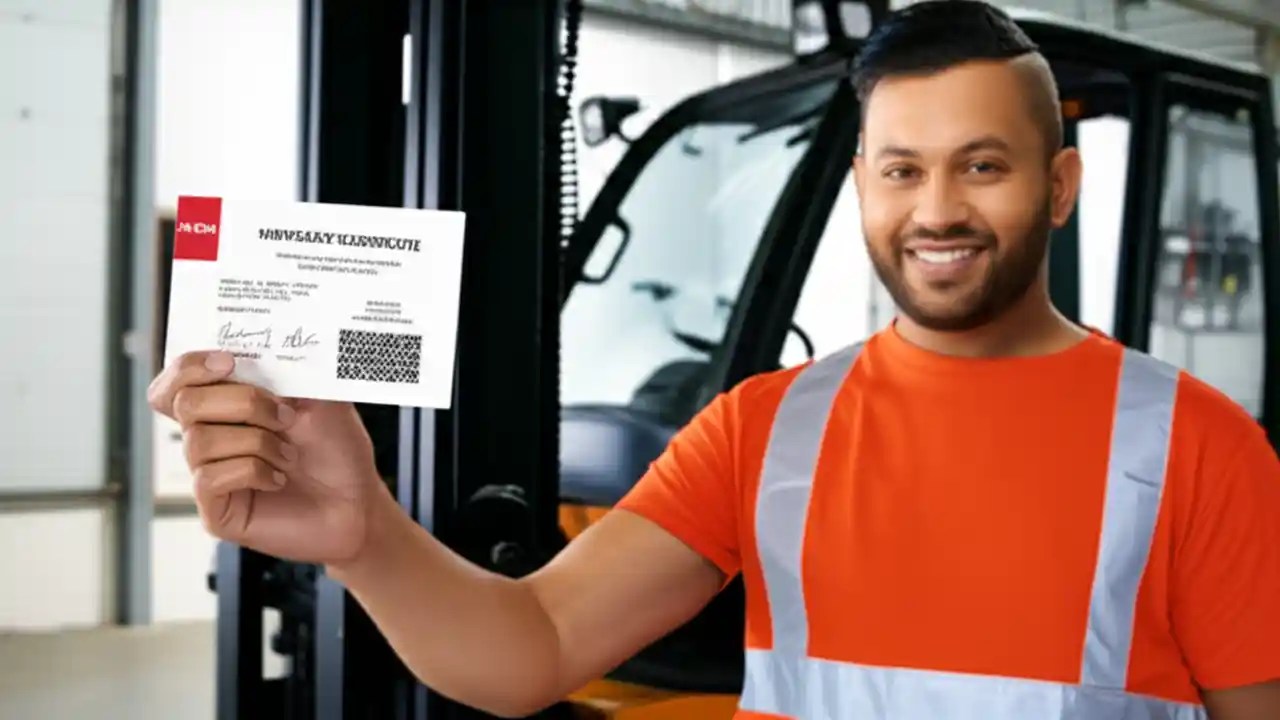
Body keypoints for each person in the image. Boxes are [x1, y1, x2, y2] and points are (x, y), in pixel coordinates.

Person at [148, 1, 1280, 718]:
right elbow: (533, 648)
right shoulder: (764, 428)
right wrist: (364, 538)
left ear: (1060, 186)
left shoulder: (1197, 446)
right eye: (901, 169)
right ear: (862, 186)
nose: (936, 209)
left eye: (981, 166)